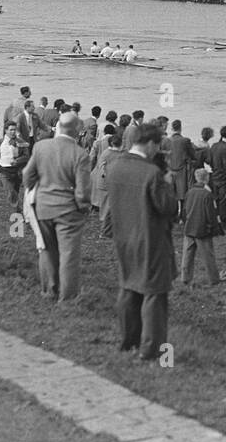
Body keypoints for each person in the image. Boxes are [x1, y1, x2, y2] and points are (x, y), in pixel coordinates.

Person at [103, 122, 179, 361]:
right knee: (154, 294)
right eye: (157, 146)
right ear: (150, 143)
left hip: (124, 238)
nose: (157, 152)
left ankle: (129, 341)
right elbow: (168, 208)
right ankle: (151, 348)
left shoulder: (115, 166)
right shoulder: (152, 173)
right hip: (151, 240)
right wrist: (168, 184)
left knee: (128, 289)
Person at [22, 111, 92, 301]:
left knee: (46, 249)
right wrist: (84, 207)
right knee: (69, 254)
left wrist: (40, 190)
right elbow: (83, 190)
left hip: (43, 206)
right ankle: (67, 297)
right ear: (77, 132)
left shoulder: (40, 147)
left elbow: (27, 175)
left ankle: (48, 291)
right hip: (68, 209)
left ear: (59, 127)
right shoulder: (80, 154)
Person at [180, 168, 222, 288]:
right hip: (202, 230)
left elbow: (184, 210)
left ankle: (185, 278)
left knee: (187, 255)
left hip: (189, 227)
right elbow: (211, 214)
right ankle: (214, 279)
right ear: (206, 178)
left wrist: (185, 221)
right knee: (208, 255)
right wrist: (214, 228)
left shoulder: (189, 192)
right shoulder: (207, 194)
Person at [208, 125, 226, 230]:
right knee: (224, 200)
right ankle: (224, 221)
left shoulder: (214, 145)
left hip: (214, 175)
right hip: (223, 177)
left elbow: (210, 160)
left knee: (216, 199)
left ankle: (216, 219)